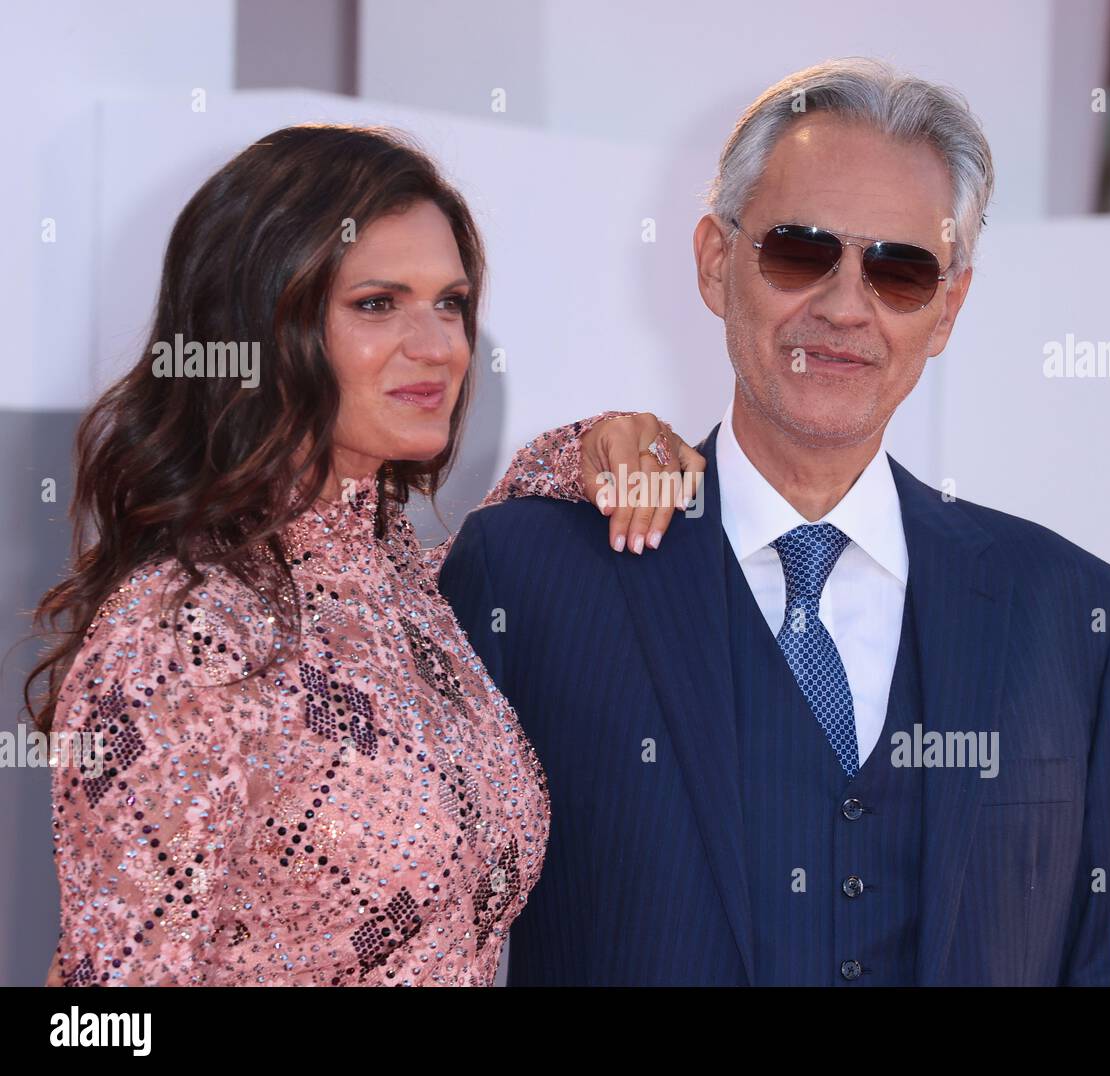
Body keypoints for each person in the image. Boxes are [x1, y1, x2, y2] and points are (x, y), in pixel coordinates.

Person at [440, 57, 1110, 986]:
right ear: (716, 262)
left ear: (948, 308)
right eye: (799, 251)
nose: (842, 306)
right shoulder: (532, 574)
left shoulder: (1077, 616)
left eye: (901, 271)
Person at [29, 124, 702, 986]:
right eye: (378, 303)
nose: (439, 347)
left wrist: (598, 444)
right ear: (261, 325)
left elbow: (468, 544)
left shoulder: (402, 588)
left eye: (450, 303)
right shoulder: (184, 638)